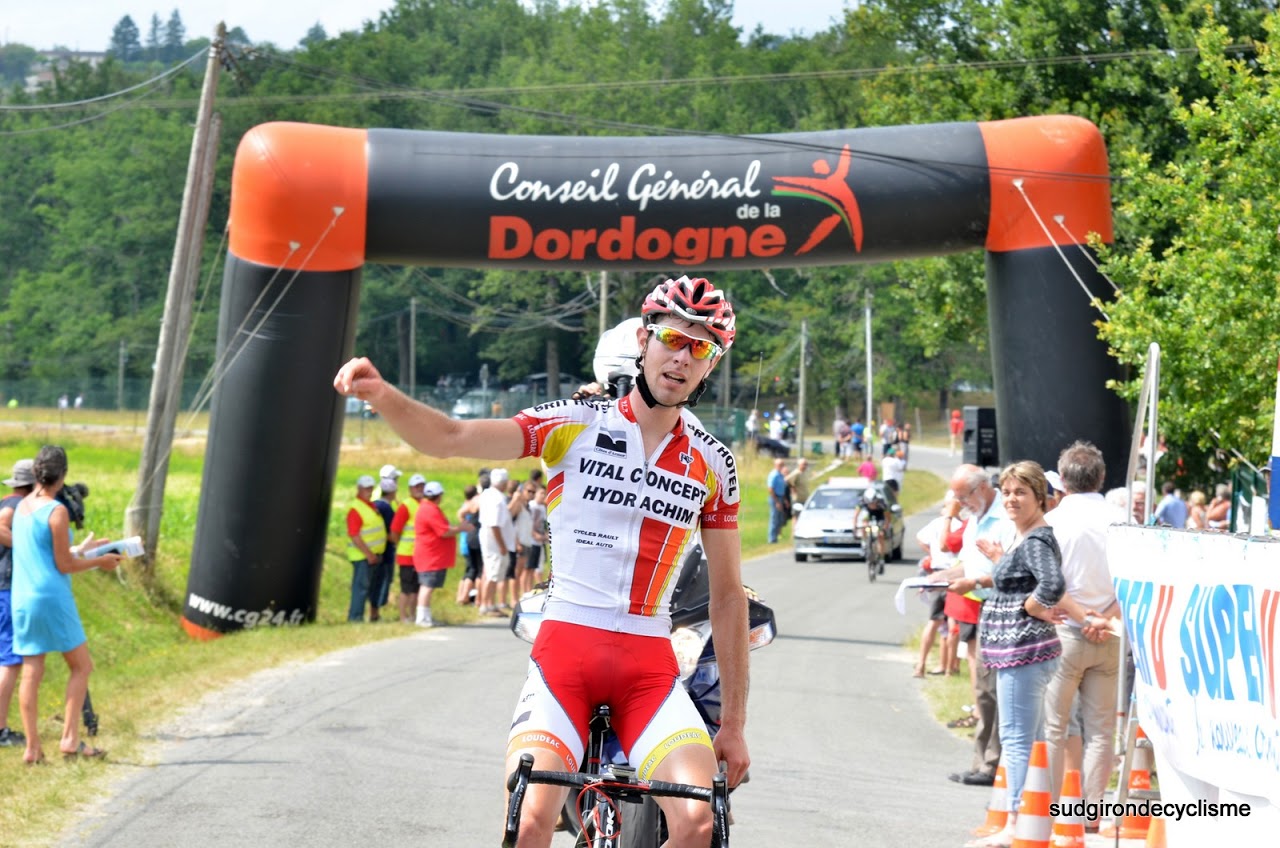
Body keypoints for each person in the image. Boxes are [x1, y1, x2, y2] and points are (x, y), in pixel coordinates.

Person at [333, 274, 748, 848]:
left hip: (650, 669)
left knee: (700, 820)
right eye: (673, 339)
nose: (681, 358)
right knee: (529, 820)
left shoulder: (714, 463)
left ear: (710, 366)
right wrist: (382, 395)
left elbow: (728, 597)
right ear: (645, 341)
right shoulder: (572, 425)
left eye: (700, 348)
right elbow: (453, 436)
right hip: (566, 658)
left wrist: (734, 727)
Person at [960, 461, 1065, 848]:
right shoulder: (1025, 538)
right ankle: (1030, 820)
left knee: (1017, 738)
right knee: (1029, 739)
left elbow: (1052, 583)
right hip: (1018, 652)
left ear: (1040, 496)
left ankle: (1017, 822)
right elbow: (1022, 580)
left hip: (1023, 651)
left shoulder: (1037, 539)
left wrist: (1035, 608)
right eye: (1006, 492)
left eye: (1020, 492)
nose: (1011, 499)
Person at [11, 446, 121, 764]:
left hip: (22, 598)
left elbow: (46, 552)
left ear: (36, 473)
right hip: (51, 598)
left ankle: (32, 748)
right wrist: (100, 561)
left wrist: (84, 549)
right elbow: (62, 566)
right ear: (63, 476)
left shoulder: (21, 508)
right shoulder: (57, 511)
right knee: (81, 666)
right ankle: (70, 739)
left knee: (32, 671)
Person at [1042, 441, 1125, 824]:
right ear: (1102, 477)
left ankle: (1057, 808)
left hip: (1064, 631)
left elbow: (1047, 581)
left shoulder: (1053, 523)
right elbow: (1131, 583)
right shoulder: (1121, 521)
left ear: (1060, 480)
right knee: (1101, 730)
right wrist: (1104, 617)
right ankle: (1091, 812)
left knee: (1056, 727)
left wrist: (1083, 616)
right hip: (1108, 632)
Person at [940, 465, 1017, 787]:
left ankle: (994, 765)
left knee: (1000, 691)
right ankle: (982, 762)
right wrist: (939, 577)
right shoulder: (976, 515)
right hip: (985, 607)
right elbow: (970, 563)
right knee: (984, 690)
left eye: (963, 497)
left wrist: (972, 579)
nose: (959, 504)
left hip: (1006, 609)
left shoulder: (1006, 516)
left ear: (982, 488)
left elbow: (1010, 568)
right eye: (955, 498)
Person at [0, 459, 35, 748]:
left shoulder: (7, 500)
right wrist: (25, 546)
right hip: (7, 589)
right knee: (10, 660)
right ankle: (0, 730)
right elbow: (0, 528)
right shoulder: (14, 505)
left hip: (5, 588)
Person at [913, 493, 963, 677]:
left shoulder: (935, 523)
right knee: (952, 624)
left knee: (933, 622)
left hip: (936, 576)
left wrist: (932, 553)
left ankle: (921, 664)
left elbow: (920, 538)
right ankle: (950, 667)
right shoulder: (962, 526)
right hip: (954, 576)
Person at [413, 481, 472, 627]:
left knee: (427, 586)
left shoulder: (428, 508)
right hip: (430, 555)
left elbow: (442, 528)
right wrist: (460, 528)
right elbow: (444, 531)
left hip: (430, 555)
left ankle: (425, 616)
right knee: (427, 586)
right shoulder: (429, 510)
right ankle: (422, 618)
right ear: (438, 496)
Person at [345, 475, 386, 623]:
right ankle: (355, 618)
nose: (369, 491)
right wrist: (368, 554)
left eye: (370, 488)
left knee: (366, 588)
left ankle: (359, 616)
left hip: (372, 554)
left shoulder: (370, 505)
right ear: (359, 489)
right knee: (360, 588)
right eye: (366, 488)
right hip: (362, 556)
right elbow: (354, 535)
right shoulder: (356, 509)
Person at [477, 468, 515, 616]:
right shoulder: (497, 498)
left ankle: (488, 603)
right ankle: (487, 605)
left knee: (490, 571)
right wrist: (502, 545)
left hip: (489, 537)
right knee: (493, 573)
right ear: (503, 483)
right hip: (494, 540)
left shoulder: (488, 494)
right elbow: (494, 524)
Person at [390, 474, 427, 623]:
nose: (420, 489)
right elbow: (395, 531)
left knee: (417, 589)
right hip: (407, 554)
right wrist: (401, 545)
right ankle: (403, 616)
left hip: (420, 554)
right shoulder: (406, 505)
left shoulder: (424, 504)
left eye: (422, 486)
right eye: (416, 487)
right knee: (407, 589)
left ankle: (413, 615)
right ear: (411, 489)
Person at [371, 466, 403, 620]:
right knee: (382, 580)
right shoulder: (383, 504)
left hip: (379, 547)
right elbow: (389, 529)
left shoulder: (378, 497)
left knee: (379, 580)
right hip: (384, 548)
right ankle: (374, 612)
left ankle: (375, 611)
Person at [455, 483, 483, 606]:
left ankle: (461, 595)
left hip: (465, 540)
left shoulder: (466, 504)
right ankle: (466, 596)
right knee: (474, 571)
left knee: (468, 571)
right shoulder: (474, 504)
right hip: (473, 540)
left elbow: (459, 514)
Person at [854, 487, 888, 571]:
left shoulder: (882, 503)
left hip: (879, 515)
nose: (871, 505)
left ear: (876, 500)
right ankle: (864, 543)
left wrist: (884, 528)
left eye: (873, 503)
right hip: (868, 514)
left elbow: (888, 518)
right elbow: (856, 516)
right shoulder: (862, 502)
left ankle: (881, 559)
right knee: (865, 525)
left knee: (880, 536)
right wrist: (854, 527)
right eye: (869, 503)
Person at [766, 457, 790, 544]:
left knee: (779, 519)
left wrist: (784, 500)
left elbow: (782, 489)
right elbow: (770, 489)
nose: (782, 466)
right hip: (775, 498)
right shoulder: (774, 475)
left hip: (780, 497)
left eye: (782, 465)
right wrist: (777, 501)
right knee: (774, 518)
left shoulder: (781, 475)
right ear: (776, 465)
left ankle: (775, 537)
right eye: (780, 465)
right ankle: (771, 539)